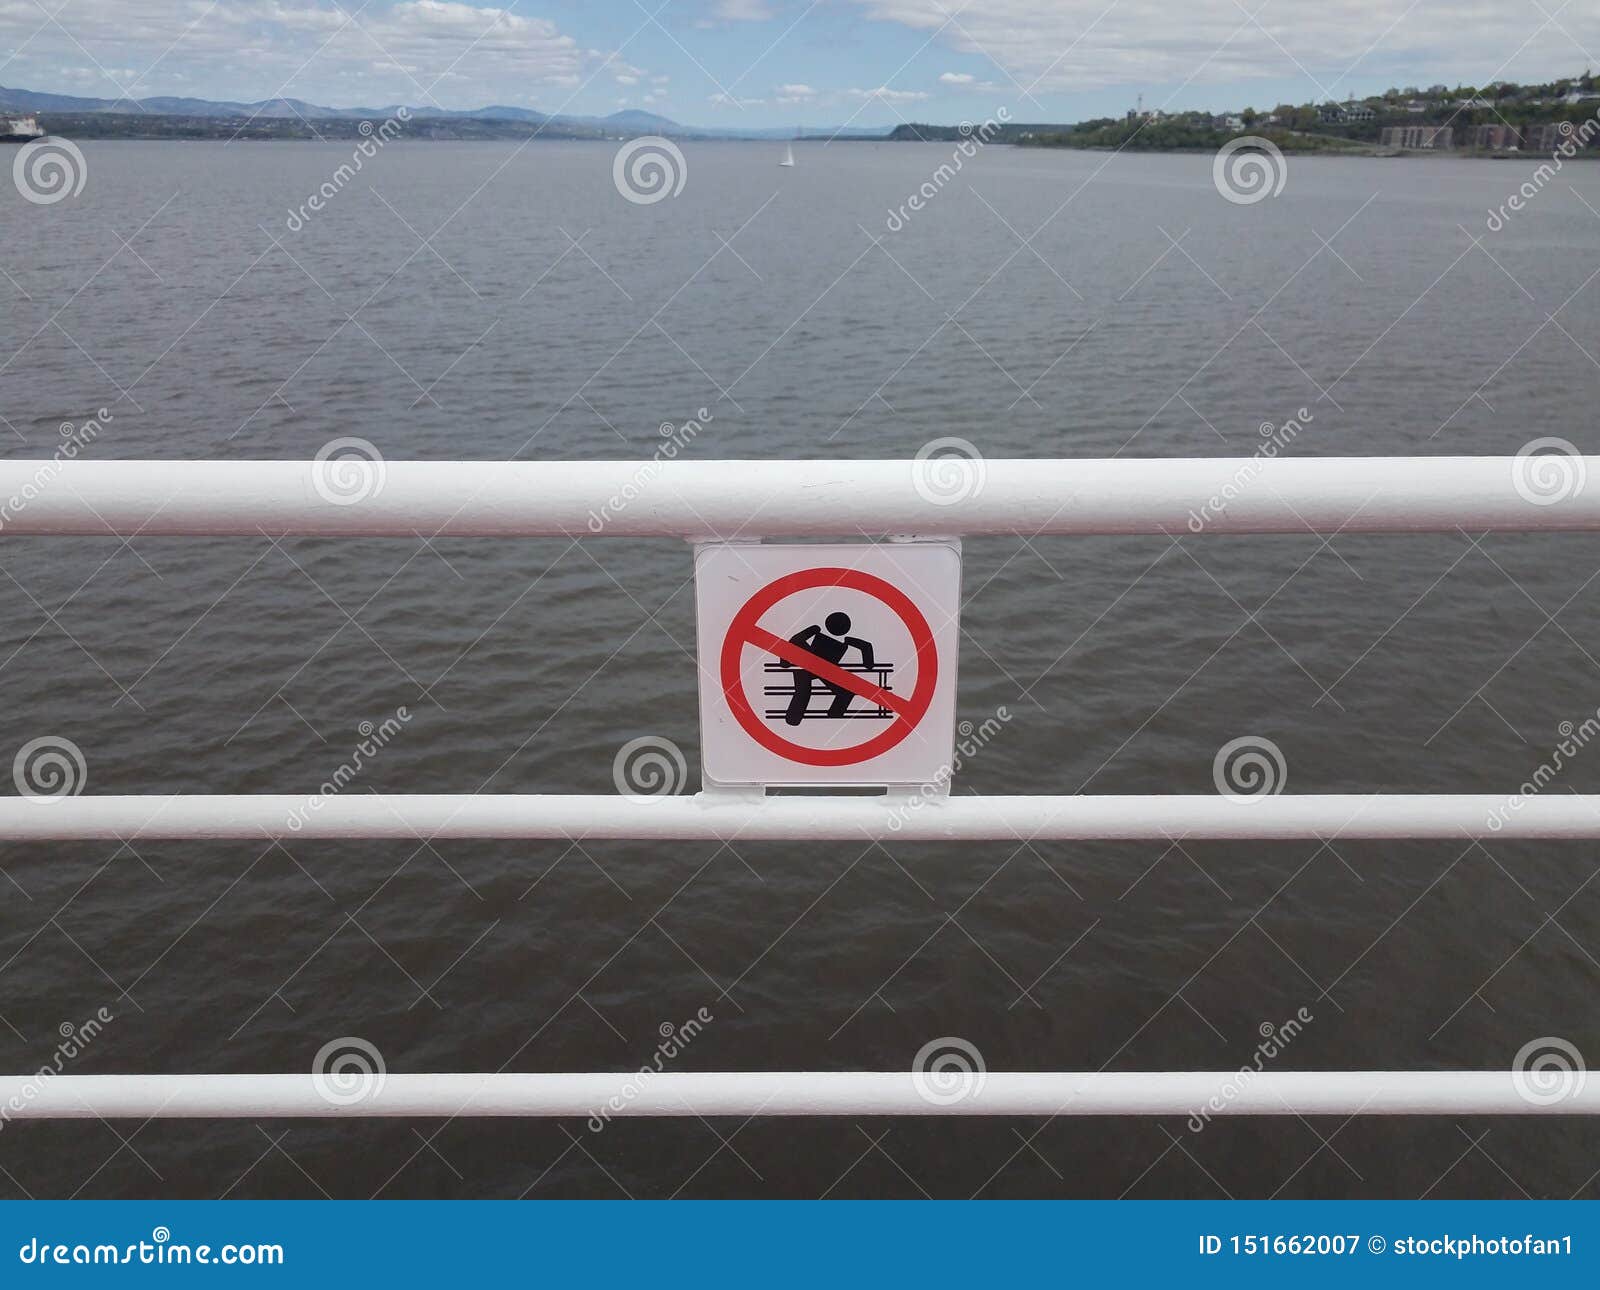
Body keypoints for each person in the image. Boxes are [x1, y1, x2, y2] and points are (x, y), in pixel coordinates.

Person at [781, 611, 875, 725]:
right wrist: (786, 661)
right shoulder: (816, 629)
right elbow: (794, 640)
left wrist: (869, 664)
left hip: (827, 671)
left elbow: (866, 647)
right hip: (807, 668)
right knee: (803, 692)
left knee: (845, 693)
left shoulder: (847, 639)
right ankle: (793, 719)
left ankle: (834, 716)